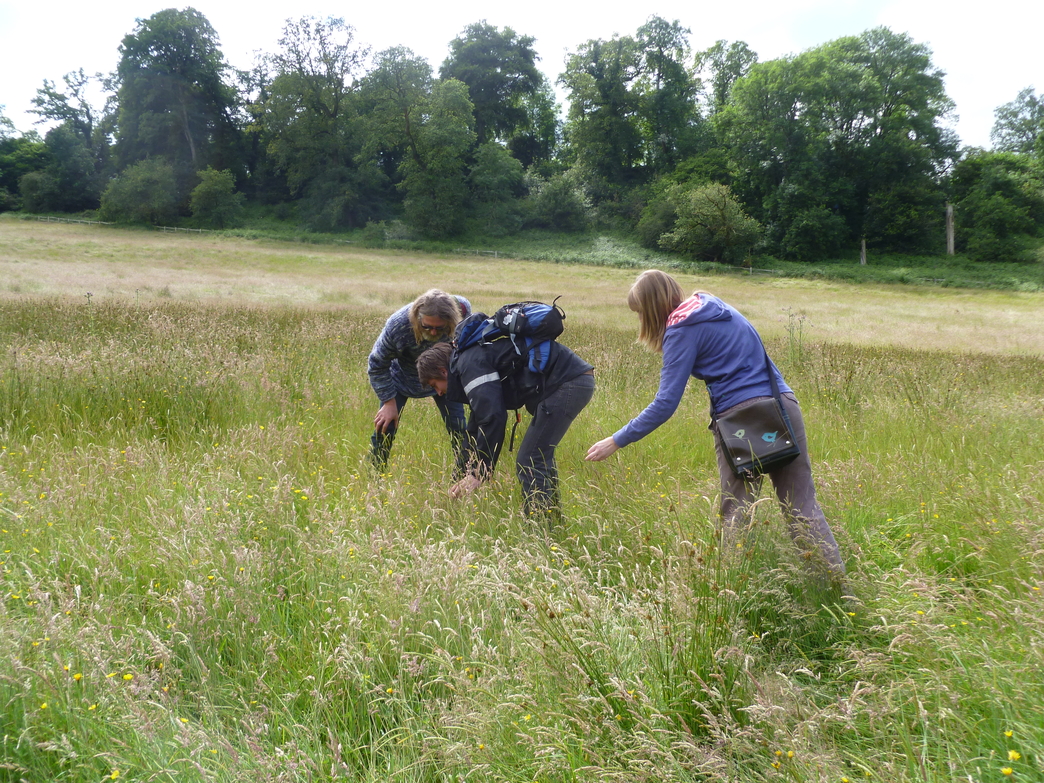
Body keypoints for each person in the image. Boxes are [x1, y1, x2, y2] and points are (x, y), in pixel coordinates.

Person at [585, 270, 844, 576]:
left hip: (741, 419)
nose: (641, 321)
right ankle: (835, 586)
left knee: (737, 510)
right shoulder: (712, 305)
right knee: (802, 505)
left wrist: (616, 440)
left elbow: (665, 404)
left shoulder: (680, 329)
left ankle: (732, 592)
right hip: (782, 405)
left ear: (652, 310)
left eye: (641, 314)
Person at [416, 336, 595, 522]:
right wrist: (460, 475)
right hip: (572, 380)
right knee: (538, 457)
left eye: (434, 385)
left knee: (531, 459)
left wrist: (479, 473)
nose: (438, 393)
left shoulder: (470, 366)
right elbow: (475, 427)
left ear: (443, 372)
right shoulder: (469, 364)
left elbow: (493, 417)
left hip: (569, 382)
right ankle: (554, 522)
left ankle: (541, 529)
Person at [368, 289, 471, 473]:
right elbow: (377, 363)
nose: (433, 332)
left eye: (440, 328)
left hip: (444, 378)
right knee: (385, 427)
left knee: (458, 427)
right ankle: (374, 475)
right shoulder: (398, 325)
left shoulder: (462, 310)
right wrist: (389, 401)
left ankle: (465, 474)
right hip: (401, 379)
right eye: (427, 327)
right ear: (417, 318)